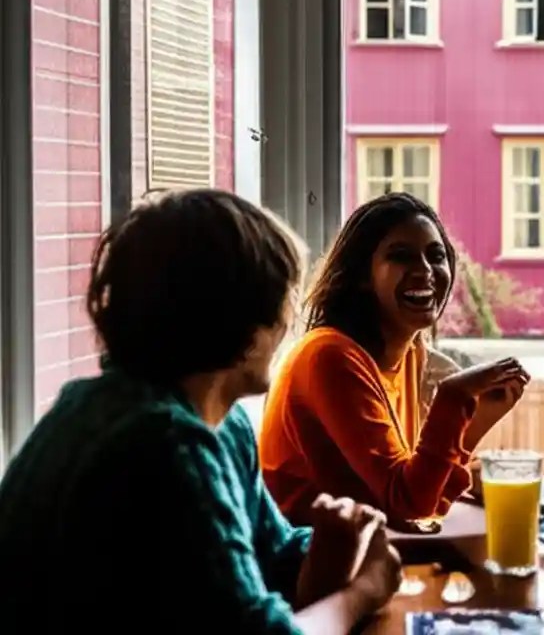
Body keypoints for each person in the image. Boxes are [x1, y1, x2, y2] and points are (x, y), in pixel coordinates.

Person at [0, 190, 402, 633]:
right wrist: (364, 591)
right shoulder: (163, 445)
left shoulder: (217, 425)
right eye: (283, 298)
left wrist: (331, 544)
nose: (290, 318)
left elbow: (274, 554)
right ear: (245, 321)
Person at [260, 193, 530, 527]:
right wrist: (453, 397)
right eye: (401, 256)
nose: (425, 271)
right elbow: (408, 503)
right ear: (362, 276)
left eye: (436, 256)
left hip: (366, 550)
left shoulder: (408, 353)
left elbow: (422, 488)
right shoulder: (330, 356)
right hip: (308, 566)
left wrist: (476, 420)